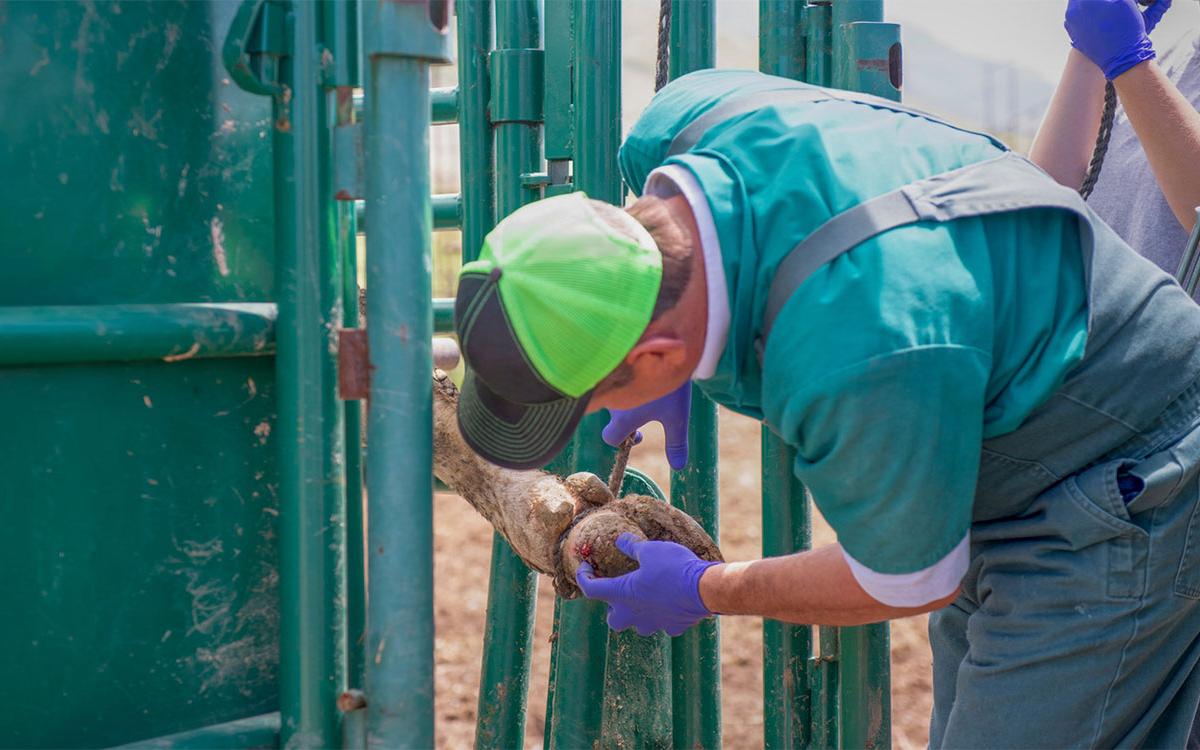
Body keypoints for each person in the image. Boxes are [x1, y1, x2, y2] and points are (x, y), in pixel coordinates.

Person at [452, 67, 1200, 747]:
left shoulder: (853, 351)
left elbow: (905, 578)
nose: (584, 422)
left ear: (654, 356)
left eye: (587, 400)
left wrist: (702, 588)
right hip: (995, 412)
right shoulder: (683, 120)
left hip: (1125, 479)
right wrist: (648, 323)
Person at [1032, 0, 1200, 281]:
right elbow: (1041, 210)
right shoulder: (1162, 64)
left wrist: (1129, 62)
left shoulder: (1139, 68)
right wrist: (1091, 51)